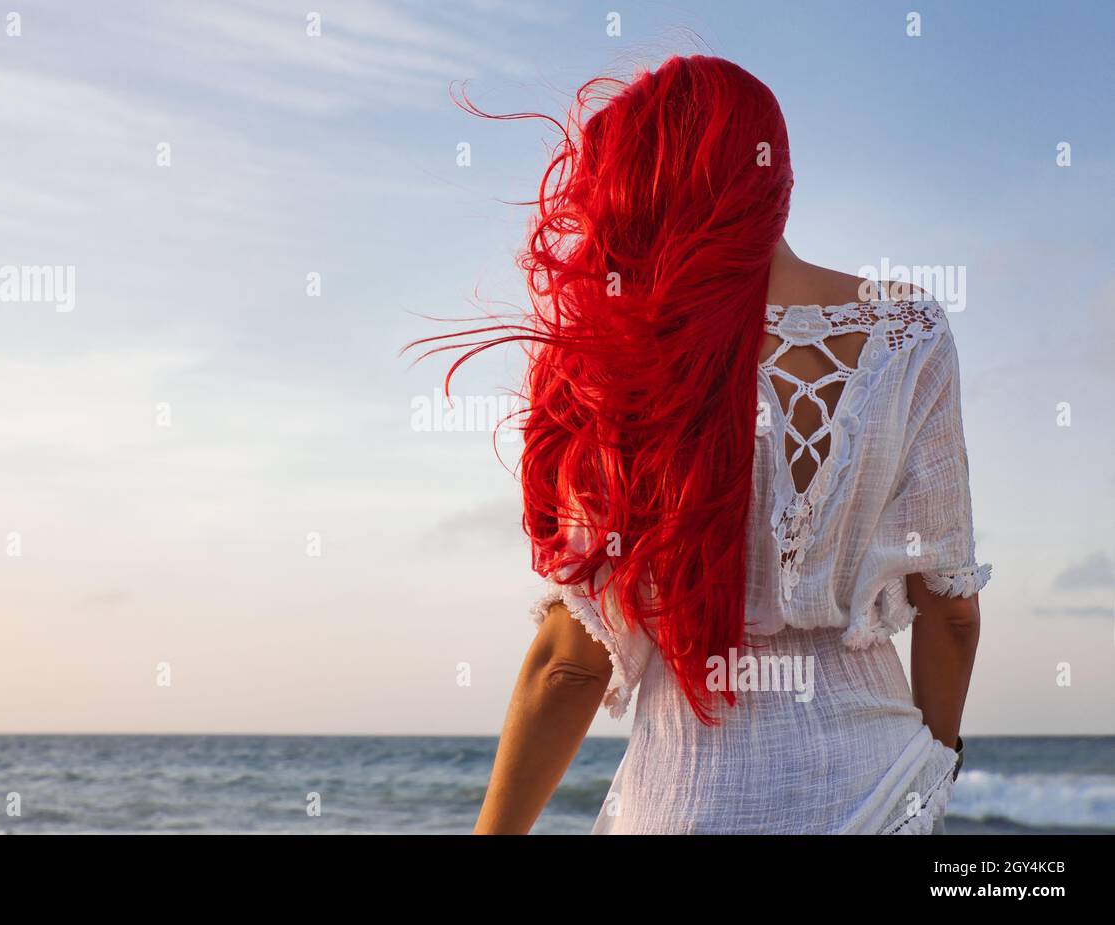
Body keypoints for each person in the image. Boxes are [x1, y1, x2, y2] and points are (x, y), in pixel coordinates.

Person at [411, 54, 988, 834]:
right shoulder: (908, 332)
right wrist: (934, 768)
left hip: (688, 800)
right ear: (777, 178)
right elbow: (949, 611)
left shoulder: (621, 356)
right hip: (878, 785)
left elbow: (570, 665)